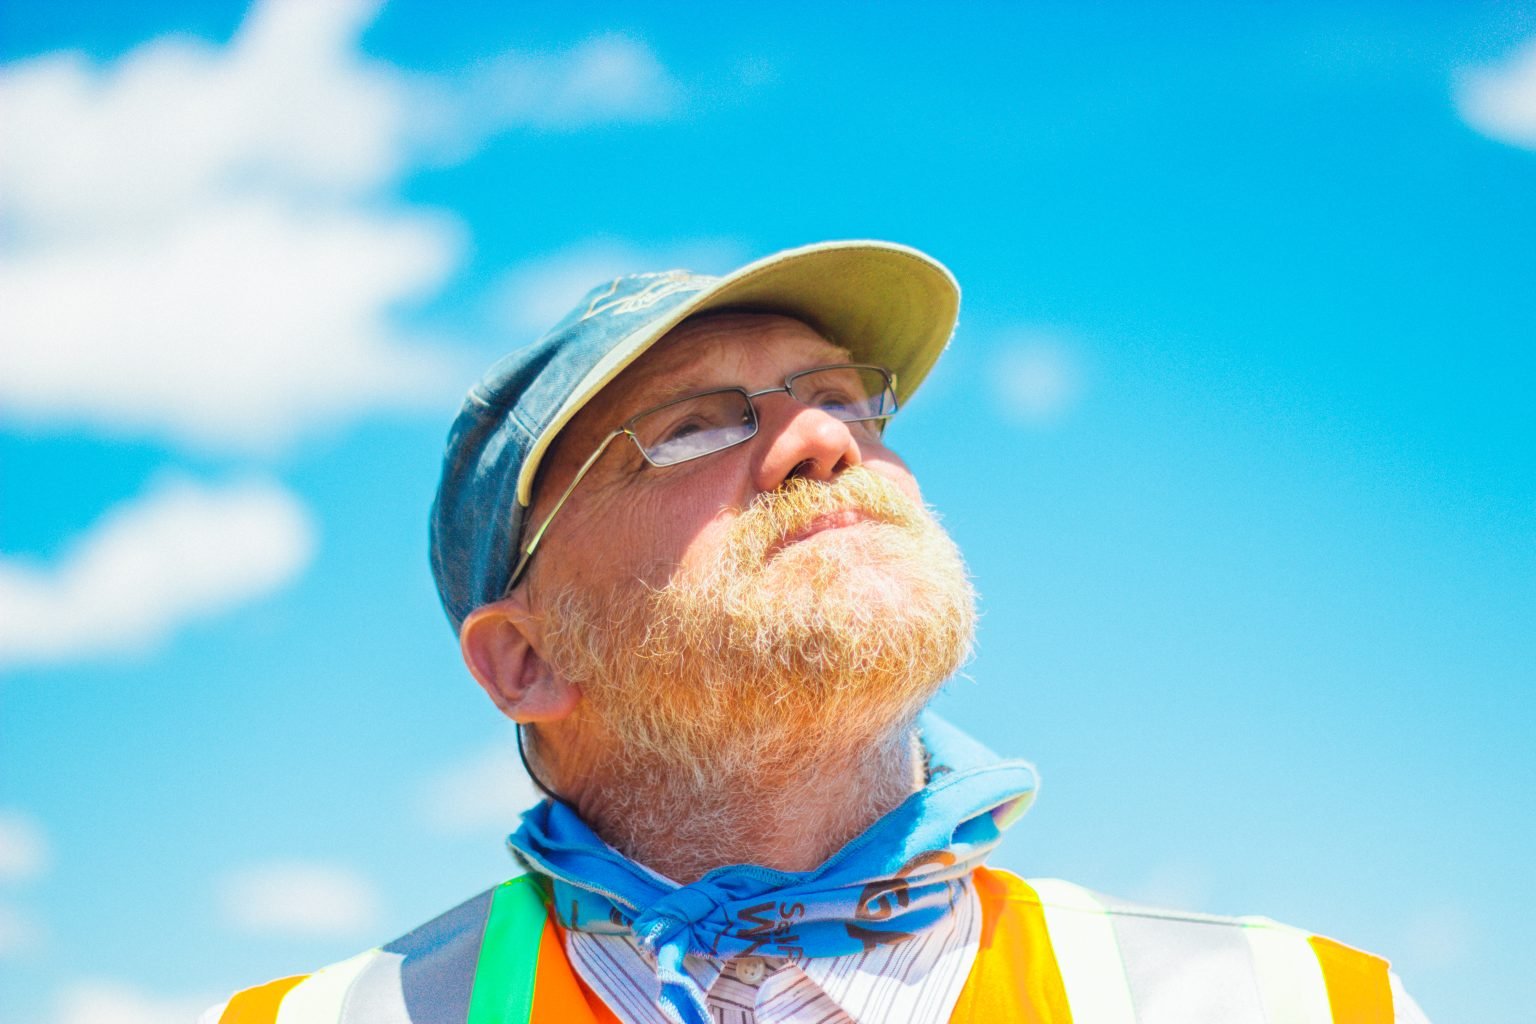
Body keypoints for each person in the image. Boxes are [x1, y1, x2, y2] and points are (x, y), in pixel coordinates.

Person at [203, 241, 1430, 1023]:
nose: (822, 440)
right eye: (690, 426)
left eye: (842, 396)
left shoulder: (1300, 1005)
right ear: (525, 659)